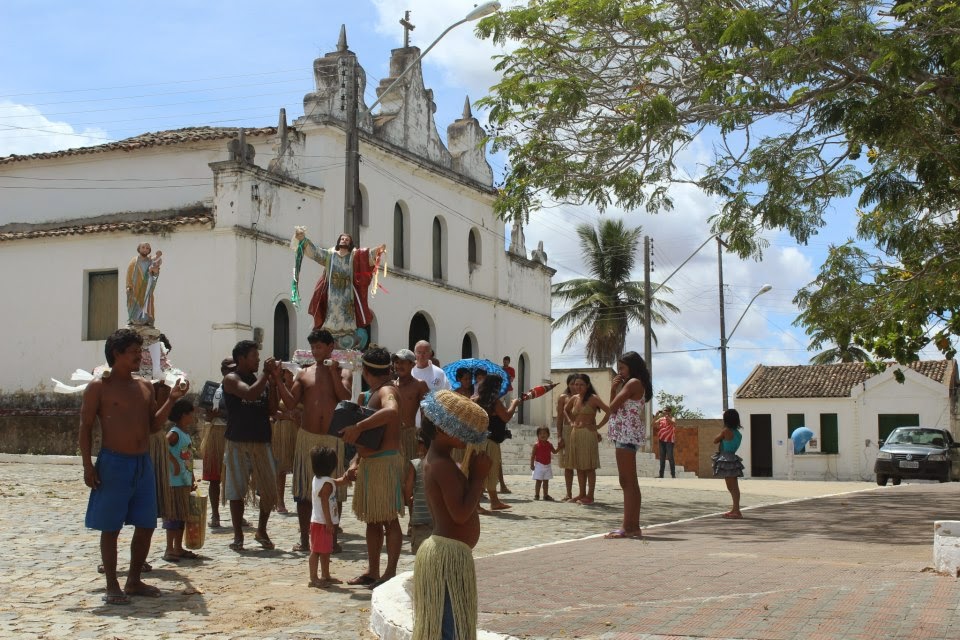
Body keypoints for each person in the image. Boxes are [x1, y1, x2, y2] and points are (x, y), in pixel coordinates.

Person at [80, 328, 188, 605]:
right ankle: (112, 583)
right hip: (113, 462)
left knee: (146, 524)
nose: (139, 357)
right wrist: (87, 466)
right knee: (111, 527)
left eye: (140, 352)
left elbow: (153, 425)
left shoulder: (144, 386)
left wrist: (171, 400)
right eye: (133, 352)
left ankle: (134, 579)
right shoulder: (98, 387)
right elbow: (85, 427)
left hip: (142, 463)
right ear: (117, 354)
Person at [412, 390, 491, 640]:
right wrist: (478, 478)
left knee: (448, 625)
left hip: (447, 556)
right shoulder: (442, 465)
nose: (466, 436)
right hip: (447, 559)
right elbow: (460, 514)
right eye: (461, 429)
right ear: (441, 430)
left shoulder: (440, 460)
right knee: (449, 628)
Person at [274, 328, 351, 553]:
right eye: (313, 347)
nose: (316, 351)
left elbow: (345, 397)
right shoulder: (304, 373)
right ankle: (304, 538)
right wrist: (279, 380)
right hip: (307, 438)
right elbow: (290, 403)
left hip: (332, 438)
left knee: (333, 492)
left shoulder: (343, 372)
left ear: (330, 347)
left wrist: (334, 372)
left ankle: (333, 540)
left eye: (320, 347)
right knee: (304, 492)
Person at [341, 347, 404, 588]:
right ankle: (373, 570)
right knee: (372, 519)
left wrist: (359, 426)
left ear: (366, 371)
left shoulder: (387, 390)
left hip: (385, 463)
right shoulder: (373, 392)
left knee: (389, 520)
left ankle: (390, 572)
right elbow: (371, 436)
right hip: (371, 462)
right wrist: (355, 461)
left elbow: (392, 411)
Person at [222, 340, 280, 552]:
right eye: (254, 356)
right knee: (236, 490)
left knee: (269, 490)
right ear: (241, 359)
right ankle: (238, 535)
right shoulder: (231, 379)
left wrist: (273, 383)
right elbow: (249, 394)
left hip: (261, 440)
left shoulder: (260, 380)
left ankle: (261, 530)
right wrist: (266, 375)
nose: (258, 359)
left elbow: (272, 409)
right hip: (238, 441)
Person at [292, 228, 386, 347]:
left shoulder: (354, 256)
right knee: (331, 311)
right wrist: (303, 240)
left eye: (347, 239)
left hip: (347, 294)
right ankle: (329, 331)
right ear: (338, 241)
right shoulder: (330, 255)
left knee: (346, 313)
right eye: (342, 239)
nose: (344, 241)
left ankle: (347, 332)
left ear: (350, 243)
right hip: (332, 293)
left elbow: (365, 257)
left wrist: (377, 251)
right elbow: (316, 253)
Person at [605, 352, 652, 539]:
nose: (620, 372)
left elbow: (612, 407)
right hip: (625, 434)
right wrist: (613, 389)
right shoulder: (635, 384)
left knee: (627, 481)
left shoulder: (633, 383)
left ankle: (628, 526)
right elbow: (615, 404)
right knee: (629, 481)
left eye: (622, 368)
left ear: (632, 367)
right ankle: (633, 526)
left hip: (626, 434)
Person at [468, 374, 520, 511]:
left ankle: (494, 501)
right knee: (487, 472)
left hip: (477, 440)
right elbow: (506, 417)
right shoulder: (495, 402)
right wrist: (514, 404)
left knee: (480, 472)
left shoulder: (474, 400)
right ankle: (477, 505)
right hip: (489, 442)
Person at [162, 399, 200, 562]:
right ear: (184, 414)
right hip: (174, 482)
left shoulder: (184, 434)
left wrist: (191, 477)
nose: (193, 416)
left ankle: (178, 547)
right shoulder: (175, 433)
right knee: (172, 516)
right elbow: (163, 445)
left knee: (181, 515)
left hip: (183, 480)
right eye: (191, 413)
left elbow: (188, 459)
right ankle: (169, 548)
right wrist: (174, 462)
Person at [563, 373, 609, 505]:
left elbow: (609, 411)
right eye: (576, 384)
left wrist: (598, 426)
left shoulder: (593, 398)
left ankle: (590, 495)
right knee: (578, 465)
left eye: (581, 384)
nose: (578, 387)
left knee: (589, 466)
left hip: (588, 434)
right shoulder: (574, 398)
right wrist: (571, 421)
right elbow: (565, 410)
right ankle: (582, 493)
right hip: (575, 433)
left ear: (587, 385)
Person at [308, 446, 350, 588]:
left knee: (325, 551)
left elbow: (336, 482)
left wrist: (346, 478)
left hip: (320, 522)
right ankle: (314, 577)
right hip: (322, 523)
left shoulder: (320, 479)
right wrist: (329, 522)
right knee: (317, 551)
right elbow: (325, 502)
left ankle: (325, 575)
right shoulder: (326, 484)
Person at [202, 358, 234, 528]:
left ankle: (238, 514)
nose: (231, 372)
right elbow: (207, 414)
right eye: (229, 370)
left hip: (234, 434)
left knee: (236, 476)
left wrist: (220, 413)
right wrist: (213, 414)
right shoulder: (214, 390)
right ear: (223, 371)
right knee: (214, 477)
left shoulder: (240, 389)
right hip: (216, 434)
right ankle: (215, 514)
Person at [271, 367, 300, 514]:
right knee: (281, 467)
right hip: (282, 430)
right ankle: (279, 500)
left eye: (292, 372)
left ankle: (300, 499)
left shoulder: (301, 388)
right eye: (288, 373)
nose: (291, 375)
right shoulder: (278, 388)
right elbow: (273, 409)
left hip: (298, 429)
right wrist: (286, 416)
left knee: (299, 467)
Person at [393, 348, 428, 463]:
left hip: (409, 437)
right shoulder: (390, 386)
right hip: (390, 437)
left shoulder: (420, 385)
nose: (399, 366)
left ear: (412, 364)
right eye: (397, 362)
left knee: (408, 476)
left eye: (403, 362)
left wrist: (422, 440)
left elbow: (426, 414)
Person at [404, 431, 434, 554]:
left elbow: (407, 490)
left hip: (420, 520)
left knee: (421, 557)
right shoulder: (443, 464)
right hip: (438, 522)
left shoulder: (415, 464)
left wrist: (410, 504)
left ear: (422, 446)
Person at [715, 408, 746, 519]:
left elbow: (715, 440)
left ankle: (736, 511)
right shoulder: (738, 434)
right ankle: (735, 509)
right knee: (735, 486)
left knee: (730, 486)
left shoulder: (726, 431)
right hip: (733, 458)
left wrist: (722, 431)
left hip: (726, 458)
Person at [125, 242, 162, 326]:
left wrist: (155, 272)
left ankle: (146, 320)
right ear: (139, 249)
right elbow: (129, 275)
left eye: (147, 248)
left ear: (149, 251)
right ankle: (134, 319)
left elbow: (155, 276)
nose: (145, 249)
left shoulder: (151, 262)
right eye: (143, 247)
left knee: (147, 304)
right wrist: (128, 286)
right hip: (135, 288)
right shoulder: (134, 262)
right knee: (134, 302)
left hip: (147, 289)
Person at [555, 374, 577, 501]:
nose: (574, 386)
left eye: (577, 383)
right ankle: (569, 493)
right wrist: (559, 436)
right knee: (568, 464)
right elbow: (559, 418)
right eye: (572, 384)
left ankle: (583, 493)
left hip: (580, 430)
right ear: (568, 384)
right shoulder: (563, 398)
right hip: (567, 431)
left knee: (581, 463)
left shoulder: (583, 398)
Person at [530, 426, 559, 501]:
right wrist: (532, 464)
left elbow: (554, 452)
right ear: (538, 435)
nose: (542, 435)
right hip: (539, 465)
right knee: (538, 481)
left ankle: (545, 495)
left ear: (548, 435)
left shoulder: (549, 445)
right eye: (540, 434)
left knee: (546, 481)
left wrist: (560, 447)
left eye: (544, 433)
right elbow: (533, 455)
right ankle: (537, 495)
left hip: (547, 466)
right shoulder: (536, 445)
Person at [655, 406, 677, 478]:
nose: (664, 411)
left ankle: (673, 475)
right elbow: (652, 424)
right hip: (661, 440)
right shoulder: (661, 419)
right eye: (663, 410)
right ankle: (661, 475)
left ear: (669, 412)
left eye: (665, 410)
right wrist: (656, 416)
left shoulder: (672, 418)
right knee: (662, 457)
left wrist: (667, 418)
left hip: (670, 441)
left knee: (670, 457)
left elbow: (673, 423)